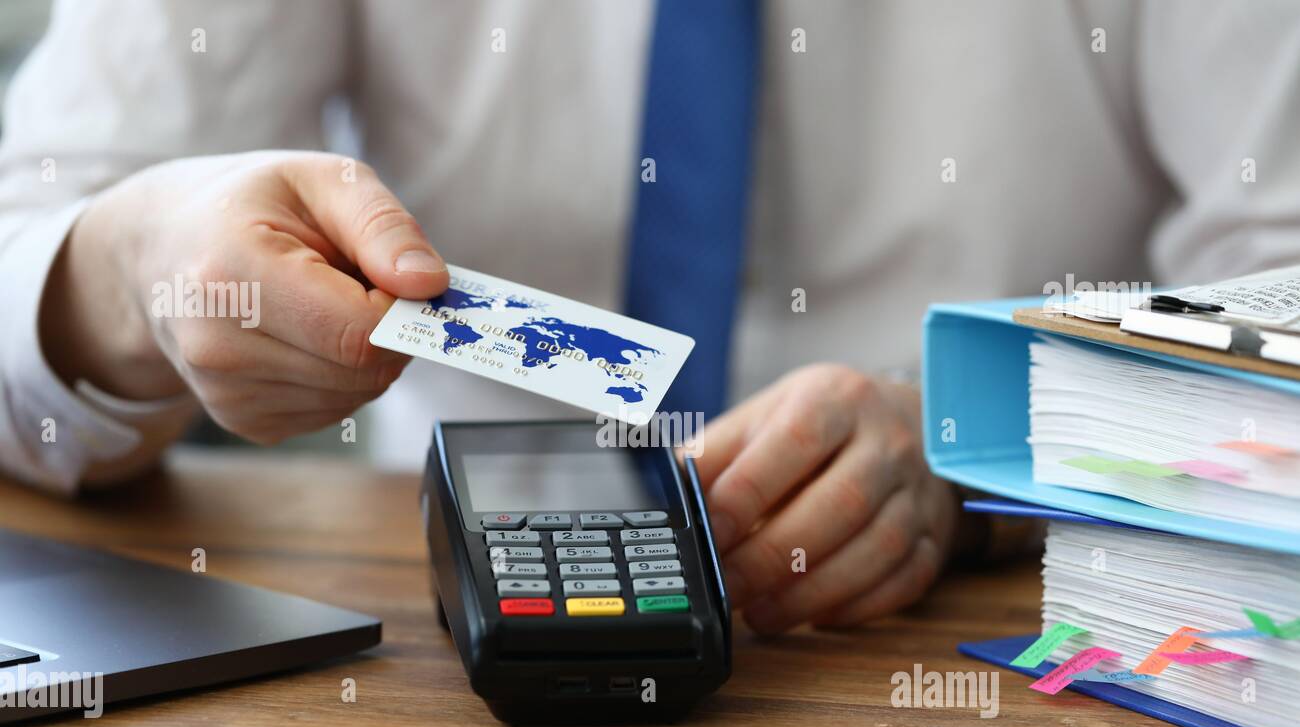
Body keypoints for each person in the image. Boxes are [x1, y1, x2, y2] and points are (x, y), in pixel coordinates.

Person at [2, 0, 1298, 633]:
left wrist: (988, 447)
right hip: (441, 678)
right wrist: (137, 274)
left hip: (1025, 661)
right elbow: (25, 235)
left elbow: (1285, 290)